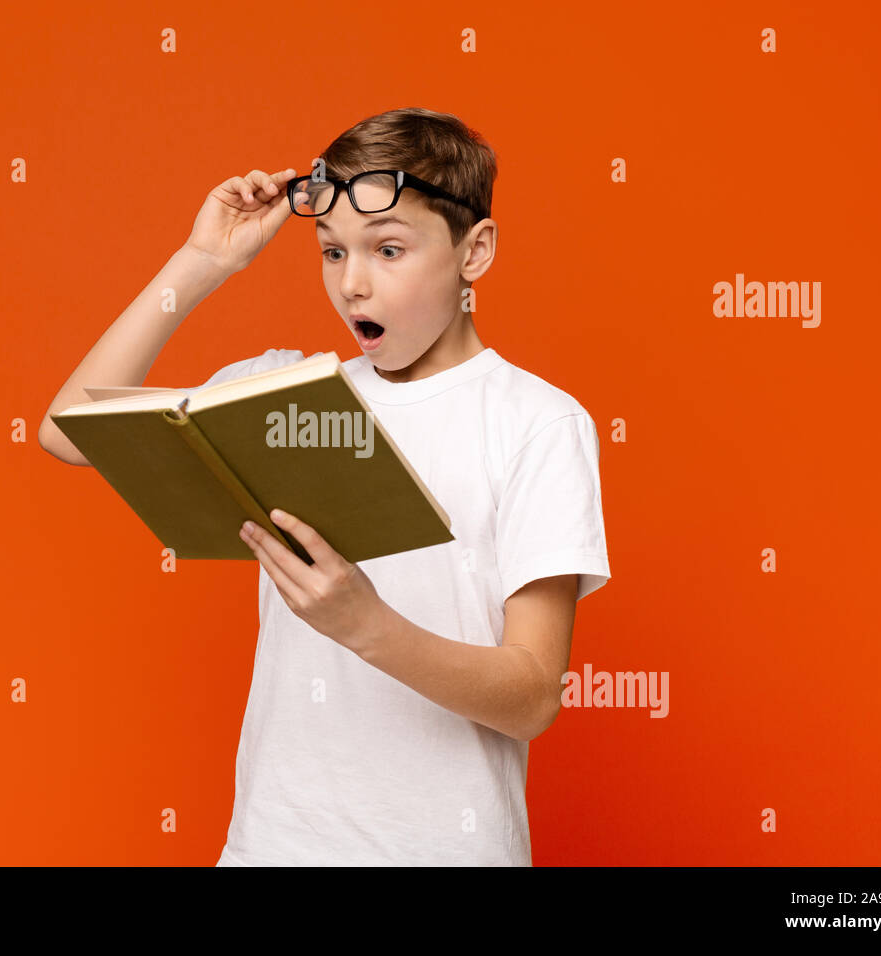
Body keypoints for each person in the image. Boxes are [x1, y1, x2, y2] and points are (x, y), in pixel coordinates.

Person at [38, 107, 611, 865]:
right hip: (270, 849)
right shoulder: (282, 393)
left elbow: (534, 695)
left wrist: (365, 624)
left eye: (390, 249)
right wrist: (202, 260)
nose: (353, 284)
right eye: (332, 251)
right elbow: (67, 428)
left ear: (476, 251)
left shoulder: (536, 422)